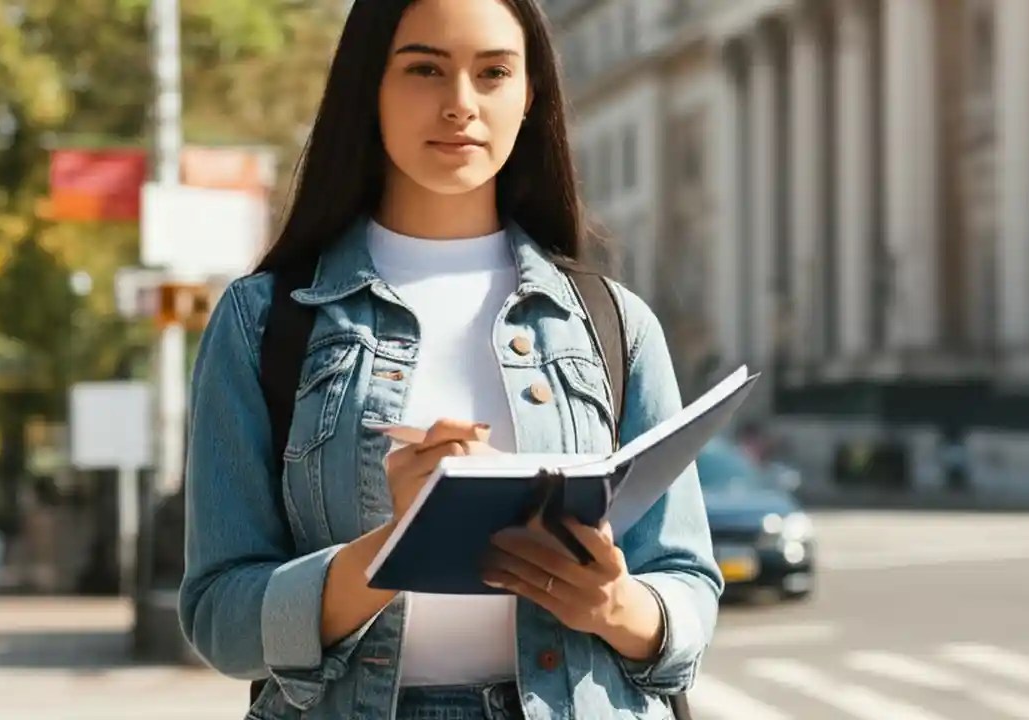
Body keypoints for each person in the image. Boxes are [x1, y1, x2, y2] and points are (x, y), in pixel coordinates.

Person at [178, 1, 722, 719]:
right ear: (369, 85)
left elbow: (686, 580)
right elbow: (221, 618)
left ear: (530, 97)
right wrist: (400, 545)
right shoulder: (265, 322)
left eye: (493, 72)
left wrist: (618, 606)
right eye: (425, 69)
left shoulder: (613, 323)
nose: (460, 104)